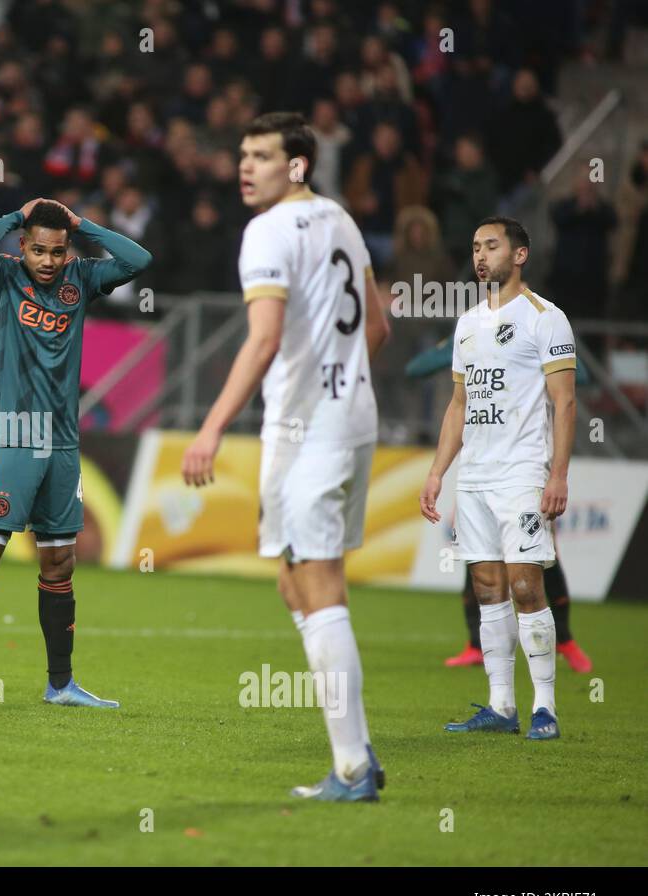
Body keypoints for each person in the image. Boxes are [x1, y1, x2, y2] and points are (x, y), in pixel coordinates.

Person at [182, 112, 392, 802]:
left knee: (319, 582)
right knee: (294, 581)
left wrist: (211, 426)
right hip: (353, 422)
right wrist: (343, 381)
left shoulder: (266, 233)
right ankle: (352, 752)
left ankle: (354, 767)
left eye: (263, 156)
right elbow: (381, 324)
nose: (246, 167)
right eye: (242, 154)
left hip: (309, 435)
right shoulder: (341, 219)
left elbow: (263, 339)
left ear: (297, 164)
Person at [0, 197, 151, 707]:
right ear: (22, 245)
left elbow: (137, 260)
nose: (48, 261)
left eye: (57, 252)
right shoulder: (0, 278)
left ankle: (60, 685)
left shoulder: (79, 280)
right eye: (38, 250)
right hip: (13, 433)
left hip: (62, 440)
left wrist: (84, 226)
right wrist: (19, 212)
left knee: (60, 563)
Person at [420, 217, 576, 741]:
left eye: (491, 245)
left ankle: (546, 710)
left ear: (520, 254)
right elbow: (460, 404)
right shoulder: (466, 324)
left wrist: (557, 474)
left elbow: (565, 402)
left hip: (523, 474)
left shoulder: (545, 319)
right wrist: (438, 471)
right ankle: (501, 706)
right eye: (475, 247)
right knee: (487, 587)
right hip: (477, 477)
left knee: (527, 585)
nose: (480, 256)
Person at [404, 340, 593, 673]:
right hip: (480, 466)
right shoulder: (471, 332)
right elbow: (415, 369)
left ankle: (565, 639)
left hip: (527, 464)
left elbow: (584, 377)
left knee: (539, 559)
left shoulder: (539, 328)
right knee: (480, 559)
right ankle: (475, 646)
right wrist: (450, 351)